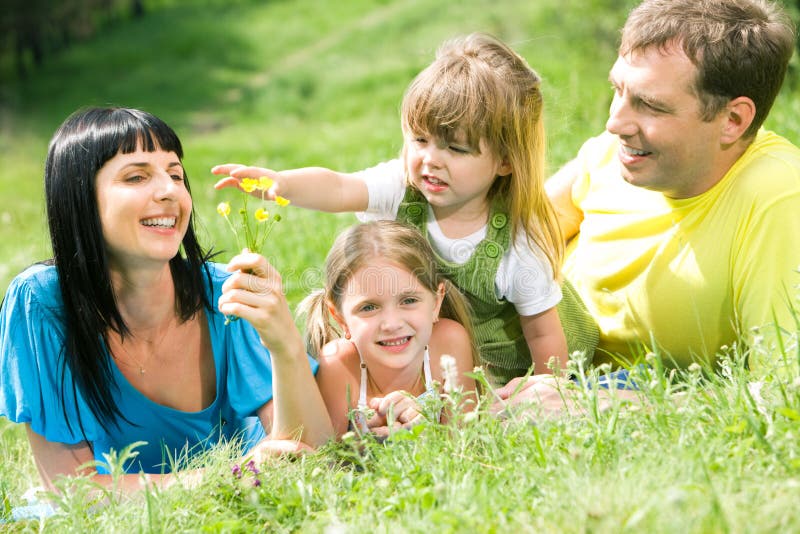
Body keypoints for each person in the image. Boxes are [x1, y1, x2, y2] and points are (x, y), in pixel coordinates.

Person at [213, 33, 600, 386]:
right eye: (420, 139)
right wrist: (282, 185)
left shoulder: (518, 242)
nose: (431, 160)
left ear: (505, 161)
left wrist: (549, 387)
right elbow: (339, 186)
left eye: (456, 148)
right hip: (441, 347)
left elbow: (543, 334)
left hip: (514, 363)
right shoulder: (402, 187)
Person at [0, 107, 333, 494]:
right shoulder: (42, 304)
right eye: (136, 176)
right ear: (80, 198)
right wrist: (230, 475)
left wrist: (285, 344)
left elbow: (316, 455)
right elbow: (72, 493)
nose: (170, 190)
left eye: (175, 174)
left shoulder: (227, 292)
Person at [496, 0, 800, 409]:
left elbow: (785, 391)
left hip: (590, 382)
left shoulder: (777, 200)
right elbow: (505, 238)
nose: (614, 124)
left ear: (733, 121)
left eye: (650, 105)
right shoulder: (614, 155)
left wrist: (593, 404)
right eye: (617, 90)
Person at [301, 221, 477, 436]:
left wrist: (423, 436)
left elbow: (466, 445)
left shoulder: (448, 343)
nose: (392, 324)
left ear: (436, 302)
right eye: (369, 307)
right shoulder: (339, 364)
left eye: (409, 300)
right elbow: (325, 457)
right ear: (340, 318)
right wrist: (369, 449)